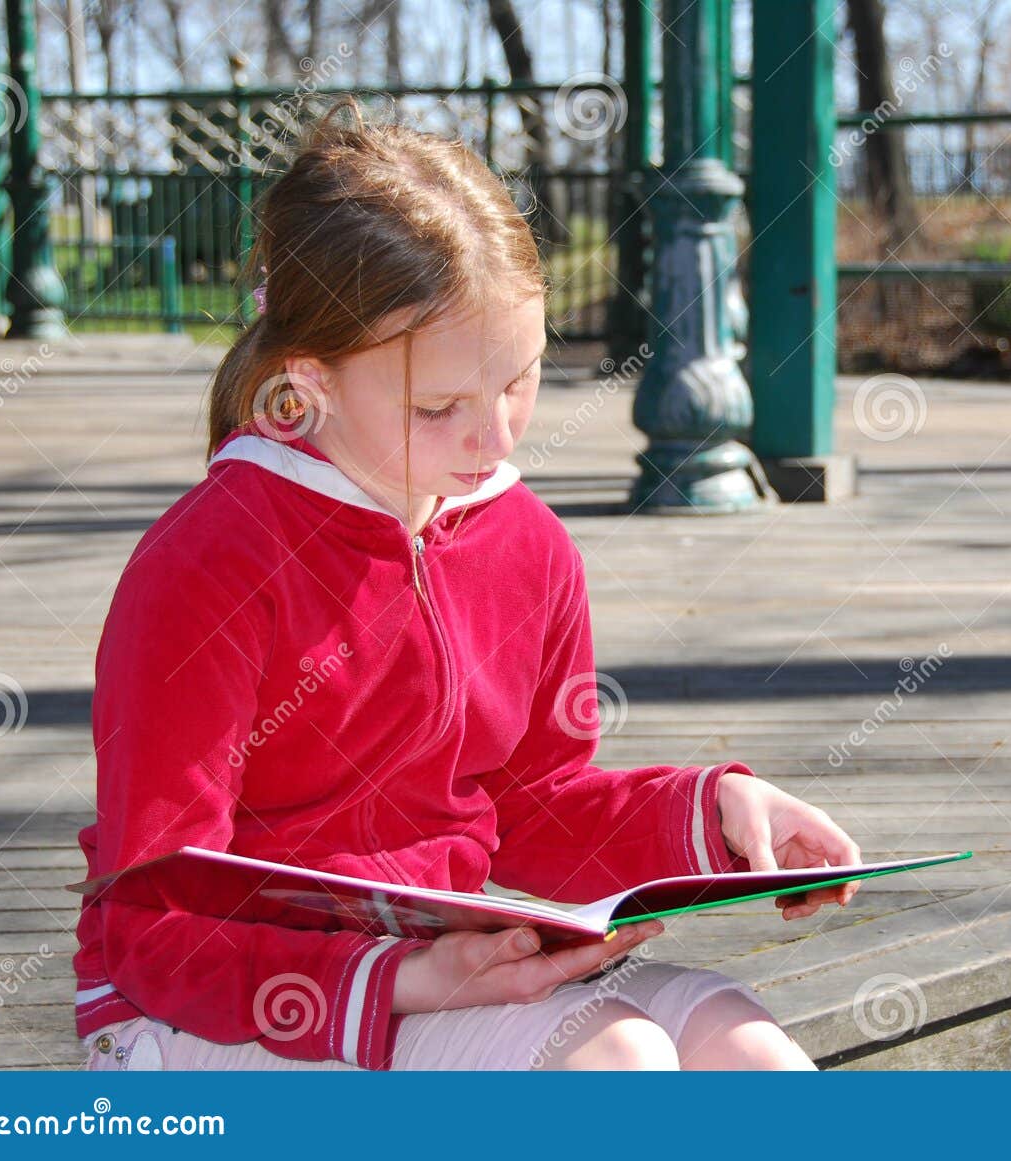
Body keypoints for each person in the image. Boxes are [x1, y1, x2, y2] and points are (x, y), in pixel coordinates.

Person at [73, 98, 861, 1072]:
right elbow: (154, 926)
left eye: (520, 381)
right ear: (308, 376)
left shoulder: (524, 542)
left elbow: (532, 808)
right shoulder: (206, 568)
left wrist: (714, 819)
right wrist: (412, 982)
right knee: (616, 1063)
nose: (495, 438)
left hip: (449, 962)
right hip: (220, 1010)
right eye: (439, 405)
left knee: (746, 1053)